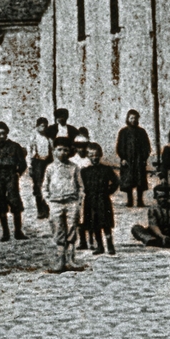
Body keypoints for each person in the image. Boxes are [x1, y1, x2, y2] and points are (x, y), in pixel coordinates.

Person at [44, 137, 86, 273]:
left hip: (71, 202)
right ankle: (60, 260)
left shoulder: (74, 168)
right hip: (55, 203)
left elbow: (80, 186)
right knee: (58, 231)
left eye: (65, 150)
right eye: (59, 150)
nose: (62, 152)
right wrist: (48, 201)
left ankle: (71, 259)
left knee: (72, 229)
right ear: (54, 151)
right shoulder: (50, 168)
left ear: (70, 152)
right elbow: (45, 187)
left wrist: (78, 201)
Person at [0, 121, 29, 241]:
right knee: (0, 203)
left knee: (15, 202)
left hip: (11, 175)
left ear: (7, 133)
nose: (1, 136)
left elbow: (22, 163)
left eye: (3, 133)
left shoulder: (15, 147)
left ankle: (18, 232)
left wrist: (17, 174)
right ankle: (5, 233)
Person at [79, 141, 120, 255]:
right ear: (87, 156)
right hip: (90, 201)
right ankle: (100, 246)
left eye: (96, 155)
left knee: (105, 223)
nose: (94, 158)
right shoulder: (85, 171)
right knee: (94, 223)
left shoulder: (106, 169)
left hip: (103, 200)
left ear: (100, 155)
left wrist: (107, 192)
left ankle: (110, 245)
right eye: (91, 155)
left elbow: (116, 182)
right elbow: (82, 185)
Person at [116, 109, 152, 208]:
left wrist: (144, 158)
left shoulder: (142, 132)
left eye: (135, 118)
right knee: (128, 181)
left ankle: (140, 201)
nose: (133, 120)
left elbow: (147, 146)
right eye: (131, 118)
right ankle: (130, 200)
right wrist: (123, 158)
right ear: (128, 118)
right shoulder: (123, 132)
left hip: (139, 160)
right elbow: (120, 146)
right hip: (128, 160)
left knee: (139, 181)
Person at [28, 116, 54, 219]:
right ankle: (40, 209)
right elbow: (29, 152)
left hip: (47, 162)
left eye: (45, 126)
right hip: (37, 163)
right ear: (37, 126)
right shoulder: (33, 137)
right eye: (41, 126)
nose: (43, 128)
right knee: (38, 186)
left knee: (47, 185)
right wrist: (30, 166)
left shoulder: (48, 138)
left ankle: (46, 209)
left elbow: (52, 150)